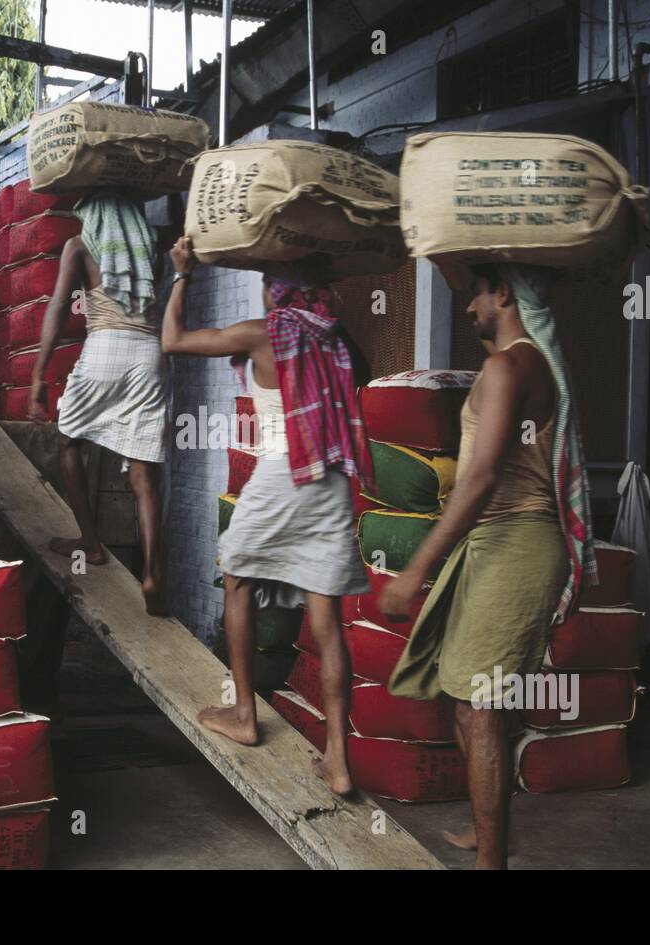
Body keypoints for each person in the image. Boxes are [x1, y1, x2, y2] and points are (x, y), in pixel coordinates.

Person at [378, 262, 597, 869]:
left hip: (517, 541)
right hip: (493, 542)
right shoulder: (520, 366)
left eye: (475, 291)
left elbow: (478, 478)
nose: (468, 304)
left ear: (503, 293)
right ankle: (487, 827)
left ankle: (491, 861)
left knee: (480, 708)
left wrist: (415, 568)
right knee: (464, 700)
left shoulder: (509, 367)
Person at [162, 237, 373, 796]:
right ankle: (339, 760)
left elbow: (173, 340)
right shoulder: (338, 339)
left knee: (236, 582)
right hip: (330, 480)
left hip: (282, 473)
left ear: (277, 289)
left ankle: (245, 715)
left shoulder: (262, 333)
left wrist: (182, 274)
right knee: (326, 621)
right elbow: (365, 379)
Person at [28, 193, 168, 615]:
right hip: (148, 352)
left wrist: (38, 376)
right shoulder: (150, 244)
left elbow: (57, 307)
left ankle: (91, 544)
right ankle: (153, 571)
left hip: (105, 348)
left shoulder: (80, 244)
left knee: (69, 441)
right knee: (143, 468)